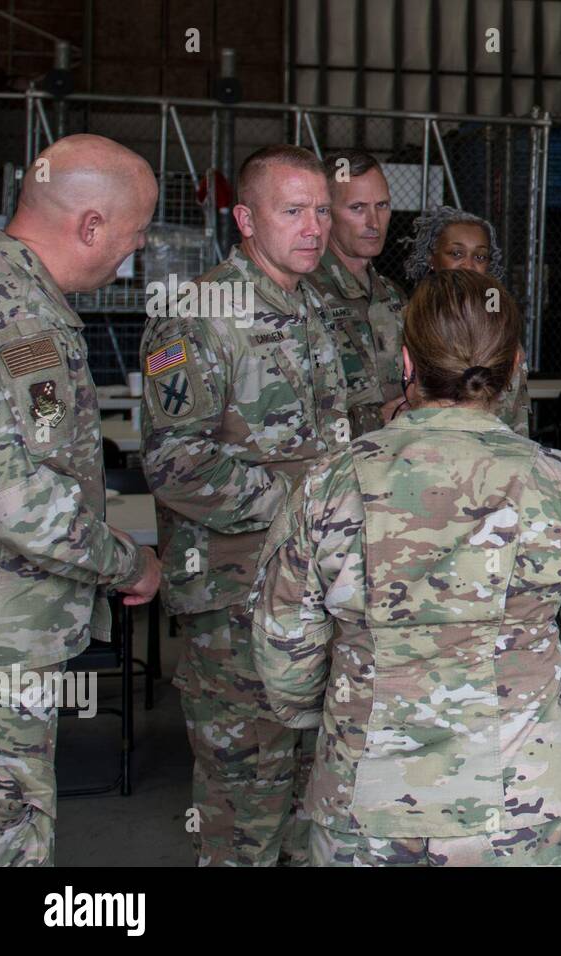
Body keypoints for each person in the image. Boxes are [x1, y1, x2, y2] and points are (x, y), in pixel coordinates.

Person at [251, 270, 561, 866]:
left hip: (365, 811)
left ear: (407, 362)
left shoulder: (330, 483)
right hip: (522, 811)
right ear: (514, 367)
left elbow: (286, 668)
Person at [140, 145, 349, 866]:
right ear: (244, 219)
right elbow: (176, 464)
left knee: (303, 792)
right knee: (243, 801)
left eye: (322, 211)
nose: (313, 228)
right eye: (292, 211)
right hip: (234, 598)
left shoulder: (310, 304)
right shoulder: (199, 318)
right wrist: (304, 502)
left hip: (304, 590)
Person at [0, 135, 161, 866]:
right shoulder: (21, 319)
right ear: (91, 225)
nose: (134, 251)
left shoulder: (20, 296)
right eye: (133, 234)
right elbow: (17, 499)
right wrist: (128, 564)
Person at [404, 205, 530, 435]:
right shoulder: (411, 321)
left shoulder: (500, 328)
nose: (468, 265)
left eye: (479, 257)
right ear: (432, 258)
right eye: (456, 254)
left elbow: (516, 416)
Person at [308, 150, 407, 437]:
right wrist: (377, 418)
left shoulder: (393, 295)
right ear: (325, 213)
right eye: (357, 208)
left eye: (382, 205)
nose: (374, 222)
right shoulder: (304, 294)